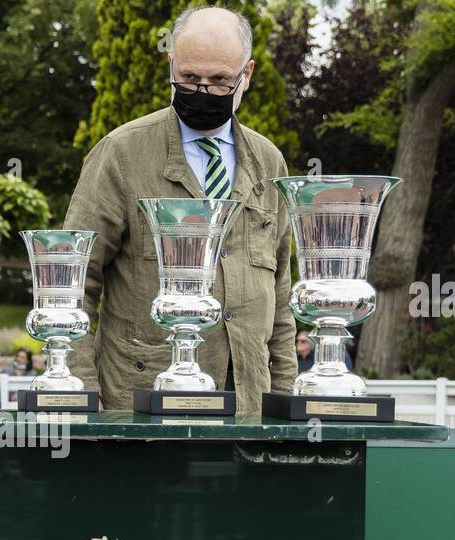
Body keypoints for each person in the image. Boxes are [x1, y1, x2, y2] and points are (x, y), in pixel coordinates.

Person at [62, 5, 294, 413]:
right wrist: (80, 388)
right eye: (188, 78)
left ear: (247, 75)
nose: (202, 91)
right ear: (171, 64)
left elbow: (280, 293)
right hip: (141, 404)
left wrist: (288, 396)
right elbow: (73, 279)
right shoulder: (121, 153)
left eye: (220, 81)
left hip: (249, 404)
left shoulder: (269, 163)